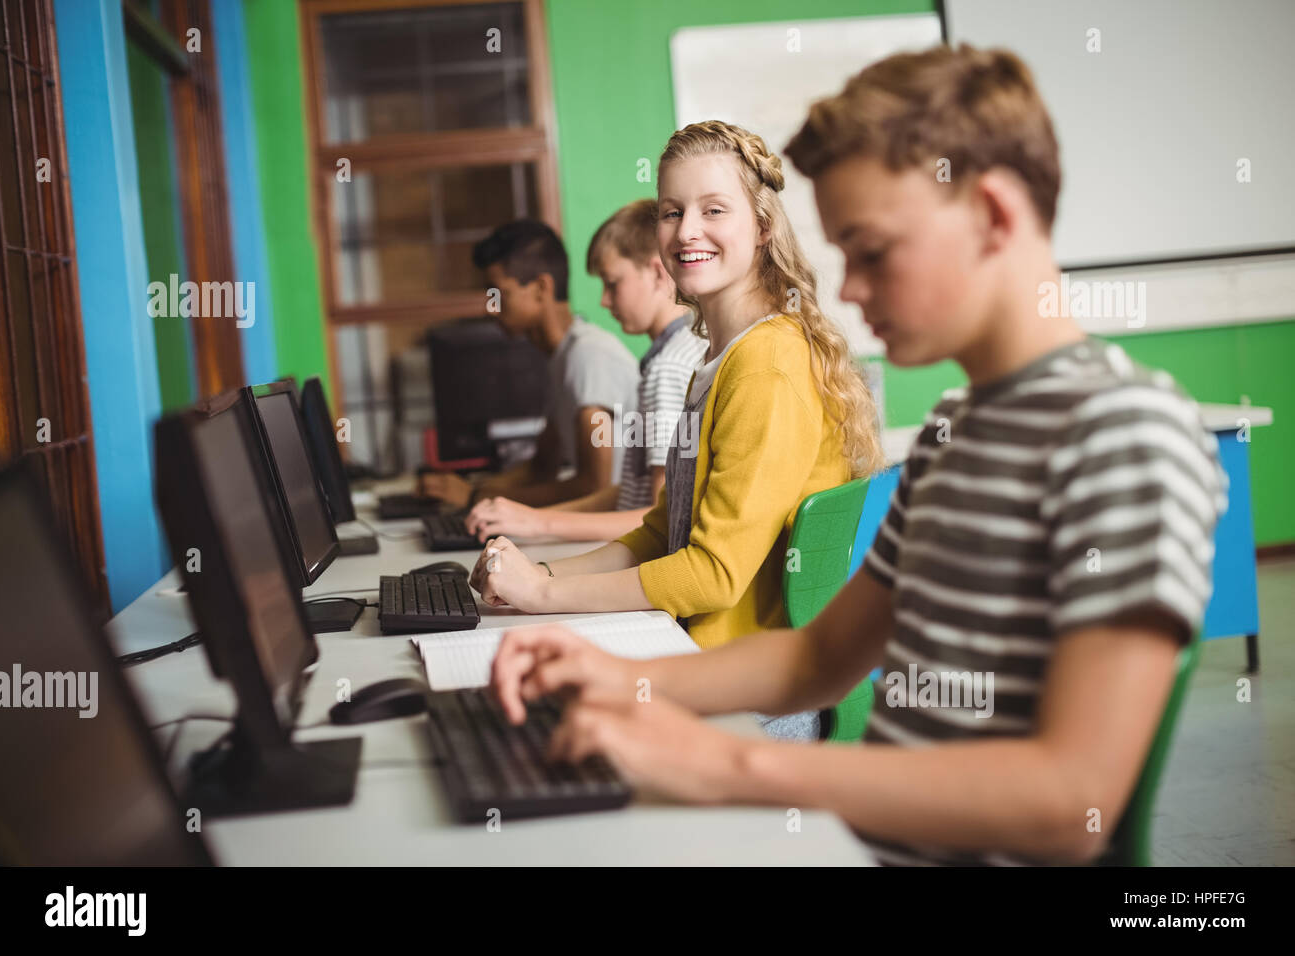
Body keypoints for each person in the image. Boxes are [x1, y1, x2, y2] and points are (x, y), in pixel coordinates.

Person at [486, 45, 1228, 865]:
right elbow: (818, 656)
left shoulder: (1123, 430)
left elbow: (1071, 803)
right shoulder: (958, 432)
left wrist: (731, 763)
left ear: (994, 215)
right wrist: (613, 679)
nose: (853, 289)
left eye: (871, 252)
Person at [469, 121, 881, 668]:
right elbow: (663, 532)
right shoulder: (716, 359)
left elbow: (712, 575)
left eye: (714, 210)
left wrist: (541, 596)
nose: (687, 231)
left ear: (761, 226)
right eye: (672, 211)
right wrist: (538, 574)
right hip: (701, 654)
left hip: (752, 690)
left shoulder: (767, 367)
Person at [465, 199, 707, 543]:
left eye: (612, 284)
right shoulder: (679, 352)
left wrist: (537, 524)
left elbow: (661, 520)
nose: (603, 302)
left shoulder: (667, 368)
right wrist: (525, 516)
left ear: (657, 272)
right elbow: (635, 492)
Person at [420, 220, 639, 510]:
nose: (491, 307)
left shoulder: (589, 355)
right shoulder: (562, 357)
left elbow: (594, 486)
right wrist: (471, 489)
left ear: (541, 288)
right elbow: (542, 466)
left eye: (499, 294)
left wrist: (478, 499)